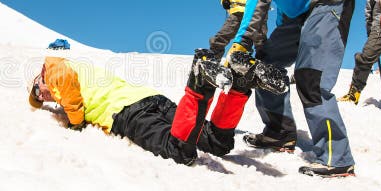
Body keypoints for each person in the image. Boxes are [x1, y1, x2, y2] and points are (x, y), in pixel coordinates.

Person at [176, 0, 357, 177]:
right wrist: (277, 40)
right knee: (264, 64)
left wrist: (241, 41)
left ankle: (337, 158)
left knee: (311, 77)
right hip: (299, 14)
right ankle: (280, 132)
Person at [28, 56, 239, 165]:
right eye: (38, 98)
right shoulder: (71, 71)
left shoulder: (54, 71)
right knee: (216, 142)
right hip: (150, 99)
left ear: (40, 78)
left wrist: (75, 125)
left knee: (178, 151)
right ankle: (240, 85)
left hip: (127, 112)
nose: (41, 96)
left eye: (37, 90)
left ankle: (199, 83)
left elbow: (72, 99)